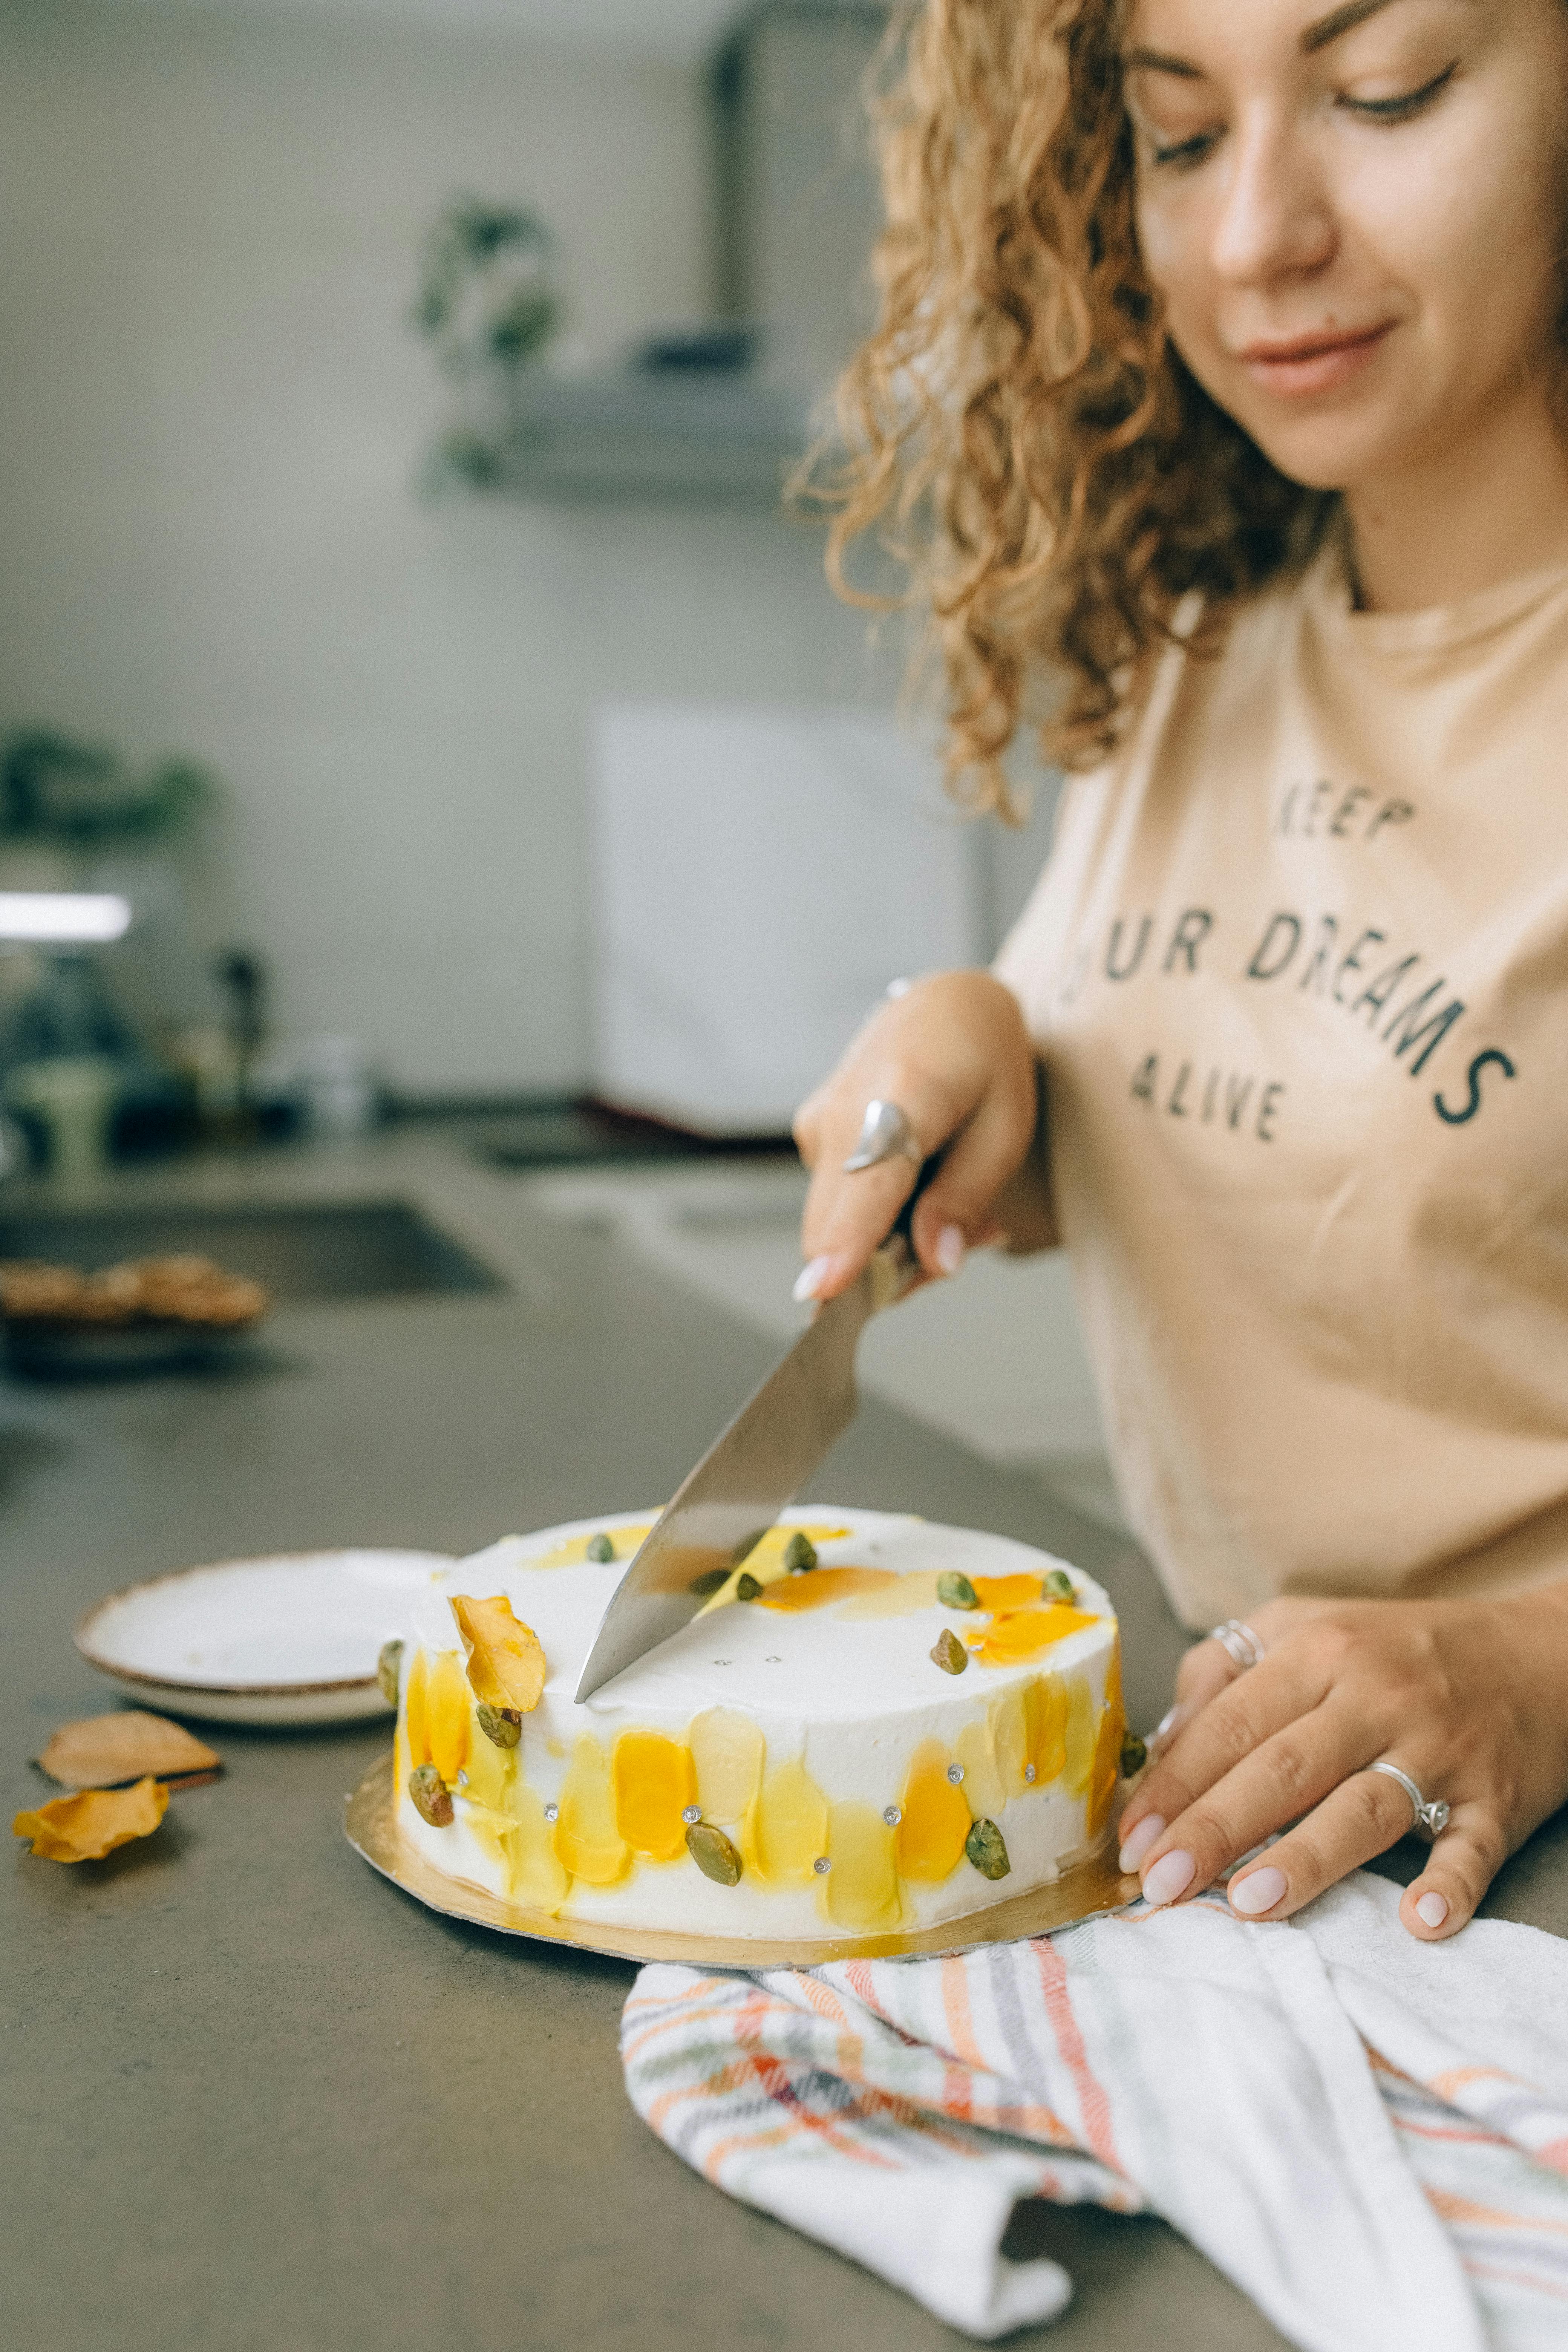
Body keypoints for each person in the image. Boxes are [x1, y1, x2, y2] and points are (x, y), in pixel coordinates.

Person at [792, 0, 1568, 1941]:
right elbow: (1236, 1131)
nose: (1251, 242)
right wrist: (978, 1041)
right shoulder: (1204, 665)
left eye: (1380, 93)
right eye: (1174, 135)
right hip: (1275, 1852)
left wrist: (1525, 1670)